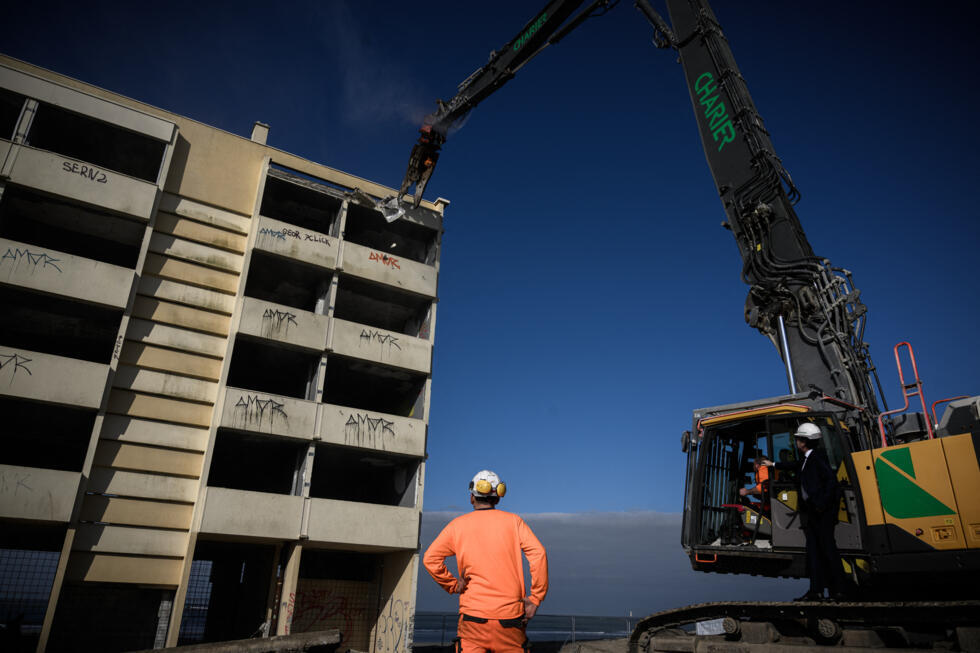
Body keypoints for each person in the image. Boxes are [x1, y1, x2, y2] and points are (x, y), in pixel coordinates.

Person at [423, 470, 549, 653]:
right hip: (510, 619)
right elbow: (539, 554)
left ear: (471, 497)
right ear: (497, 499)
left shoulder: (457, 525)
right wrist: (536, 598)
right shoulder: (514, 522)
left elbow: (430, 559)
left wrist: (452, 585)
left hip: (472, 619)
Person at [762, 423, 847, 601]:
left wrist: (821, 505)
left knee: (828, 551)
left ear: (804, 442)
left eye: (798, 438)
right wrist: (774, 464)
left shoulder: (818, 458)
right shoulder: (808, 459)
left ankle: (839, 590)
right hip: (813, 513)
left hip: (821, 513)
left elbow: (832, 482)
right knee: (814, 552)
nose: (796, 441)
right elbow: (794, 465)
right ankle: (815, 591)